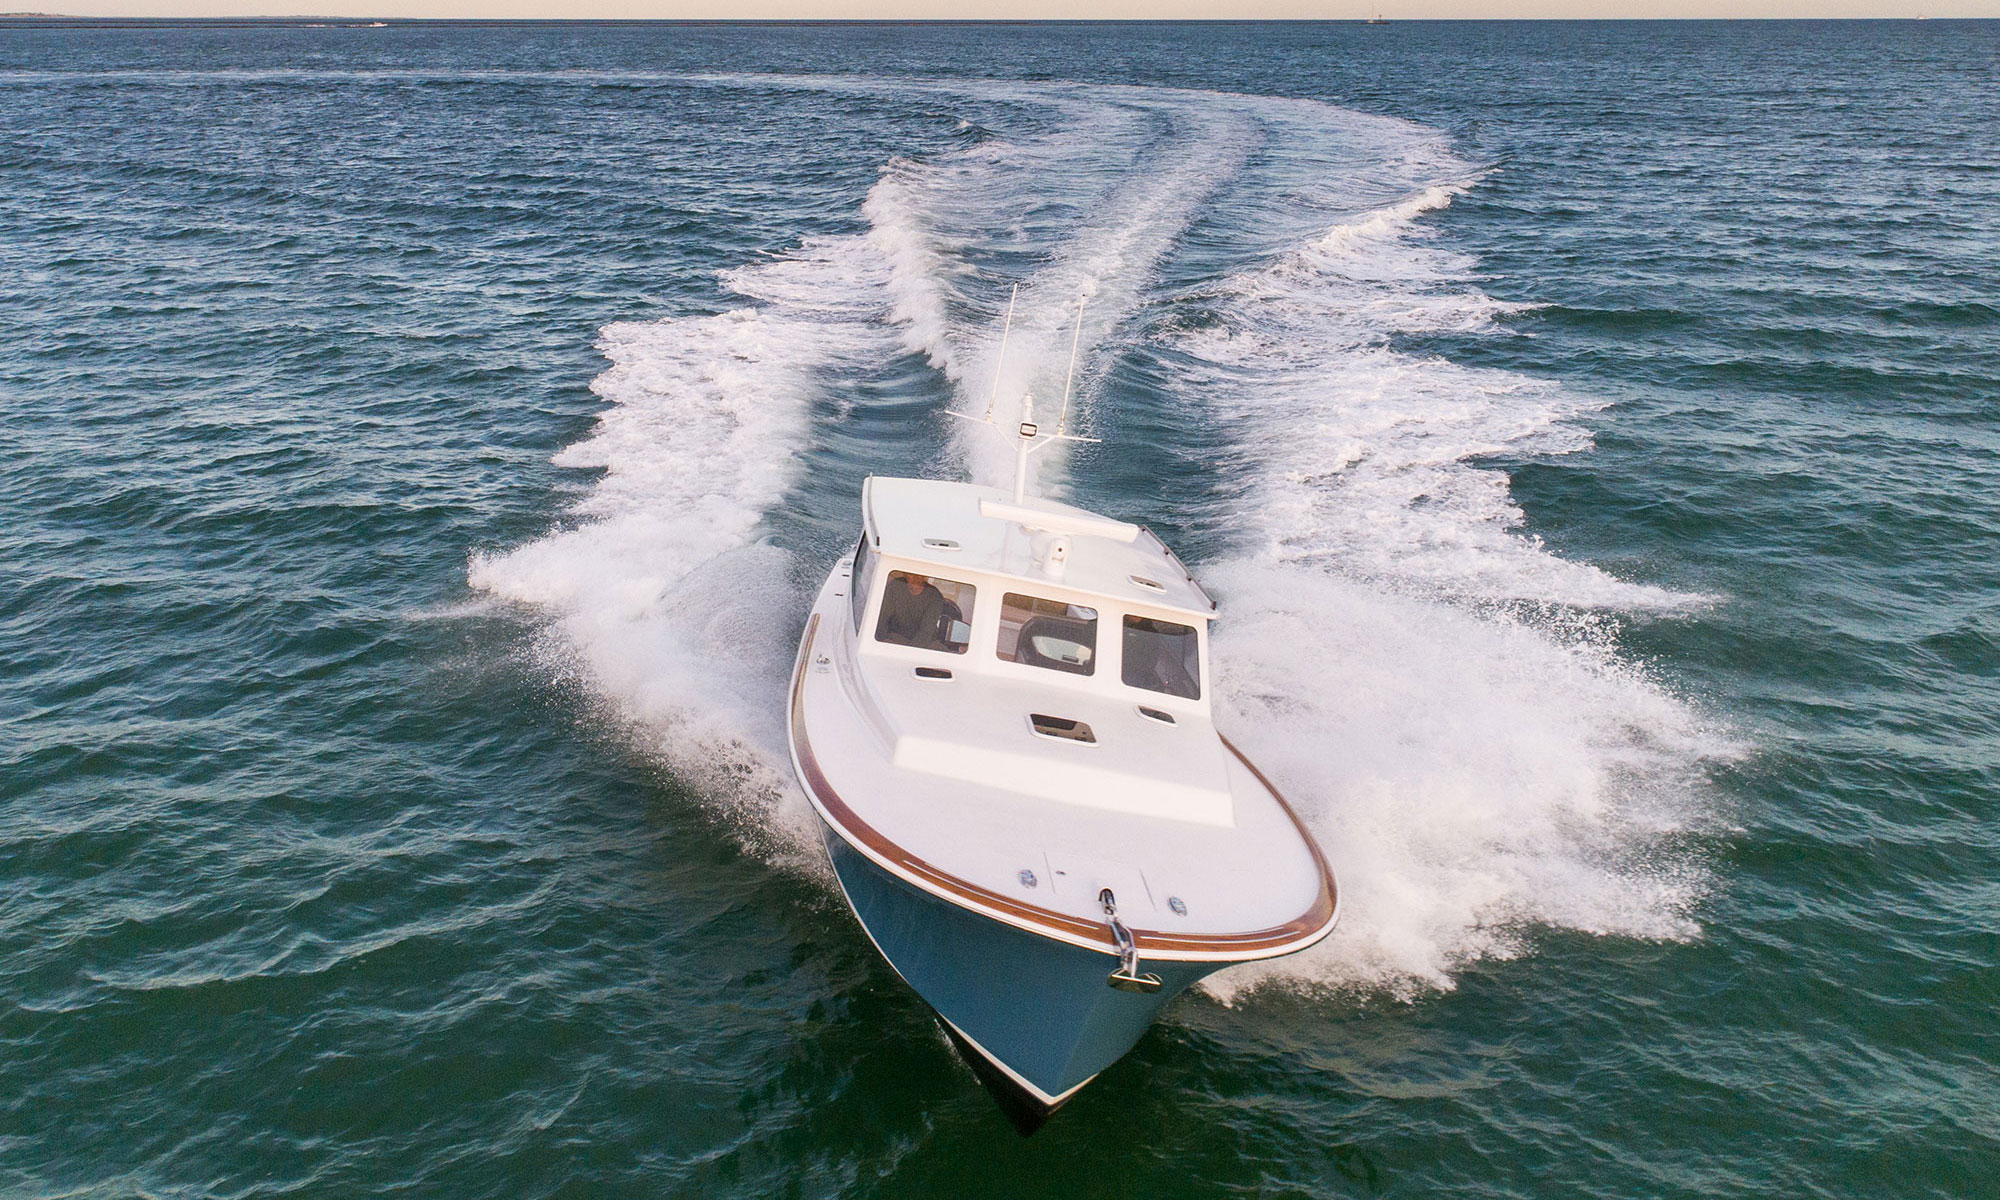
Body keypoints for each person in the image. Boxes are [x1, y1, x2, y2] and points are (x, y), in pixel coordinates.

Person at [875, 572, 947, 650]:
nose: (915, 577)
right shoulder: (896, 585)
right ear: (905, 574)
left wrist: (910, 650)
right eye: (911, 574)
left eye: (919, 574)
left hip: (926, 643)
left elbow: (926, 631)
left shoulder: (934, 596)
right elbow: (882, 617)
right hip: (895, 637)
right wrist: (883, 639)